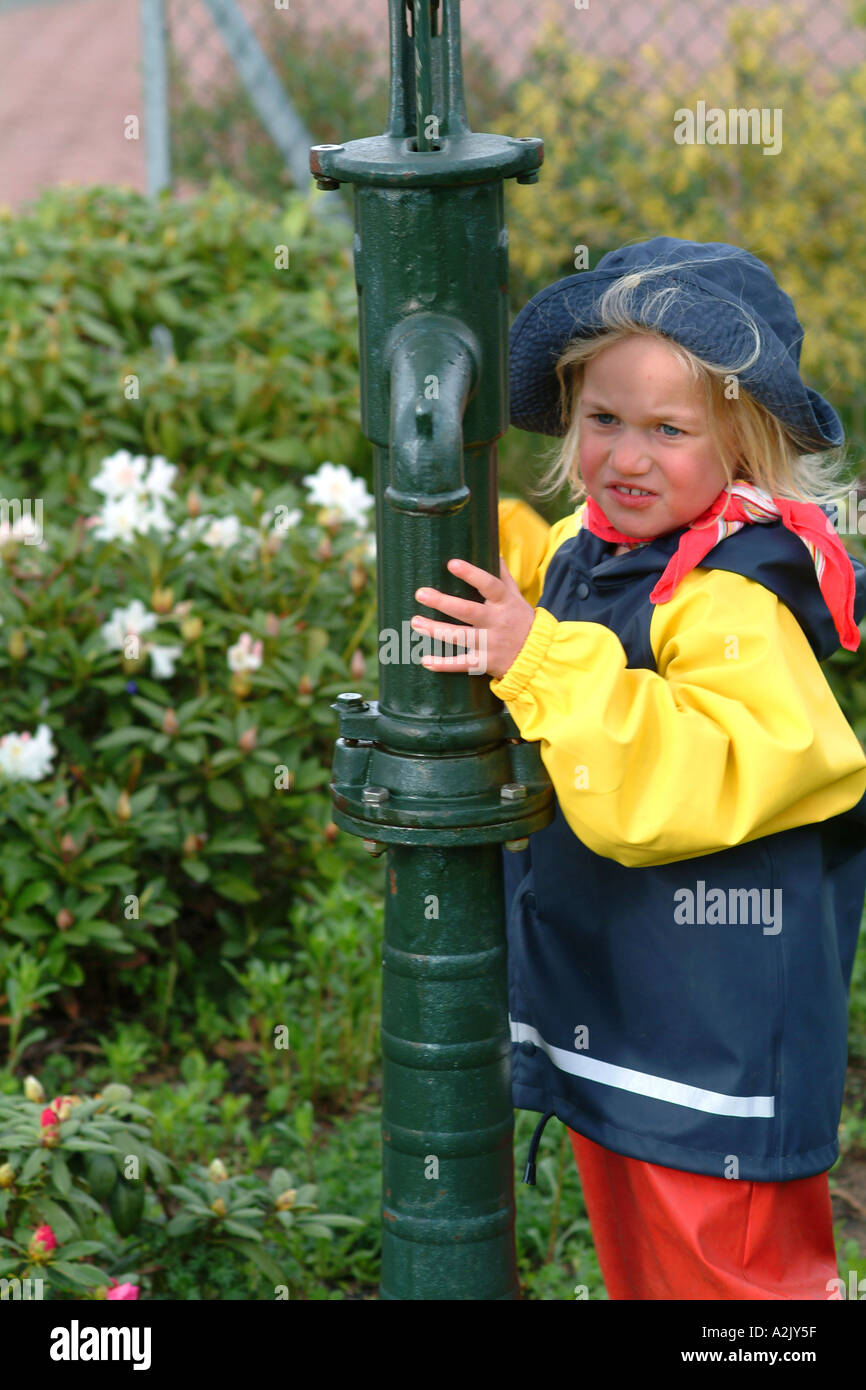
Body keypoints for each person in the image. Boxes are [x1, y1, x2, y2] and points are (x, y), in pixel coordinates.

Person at [408, 237, 866, 1300]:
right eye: (602, 419)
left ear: (742, 449)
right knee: (647, 1279)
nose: (625, 454)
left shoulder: (728, 597)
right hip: (624, 1016)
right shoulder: (599, 544)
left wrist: (540, 660)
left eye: (668, 429)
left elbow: (687, 774)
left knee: (737, 1292)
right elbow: (556, 585)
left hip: (717, 1044)